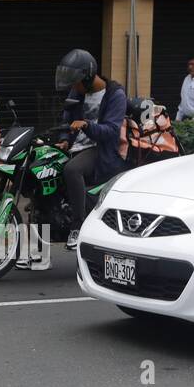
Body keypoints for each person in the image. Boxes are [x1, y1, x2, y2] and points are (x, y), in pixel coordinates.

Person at [55, 49, 127, 250]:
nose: (73, 87)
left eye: (76, 82)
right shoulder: (77, 91)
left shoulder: (115, 95)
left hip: (101, 149)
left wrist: (87, 125)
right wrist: (64, 140)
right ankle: (38, 252)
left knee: (72, 169)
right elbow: (67, 120)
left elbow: (111, 131)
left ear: (87, 77)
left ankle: (78, 227)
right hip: (77, 146)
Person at [178, 52, 194, 121]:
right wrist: (178, 119)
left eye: (193, 64)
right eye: (189, 64)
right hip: (185, 120)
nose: (190, 67)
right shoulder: (186, 79)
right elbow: (183, 101)